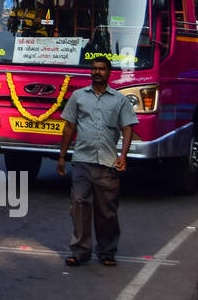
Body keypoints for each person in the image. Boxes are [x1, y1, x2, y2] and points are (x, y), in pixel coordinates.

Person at [56, 56, 138, 267]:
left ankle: (107, 251)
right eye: (94, 68)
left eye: (101, 69)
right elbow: (69, 127)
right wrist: (62, 156)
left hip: (108, 163)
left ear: (109, 73)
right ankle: (79, 250)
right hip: (82, 160)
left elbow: (128, 127)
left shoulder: (119, 100)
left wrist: (123, 156)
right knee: (79, 205)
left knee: (106, 211)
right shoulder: (78, 97)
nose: (97, 72)